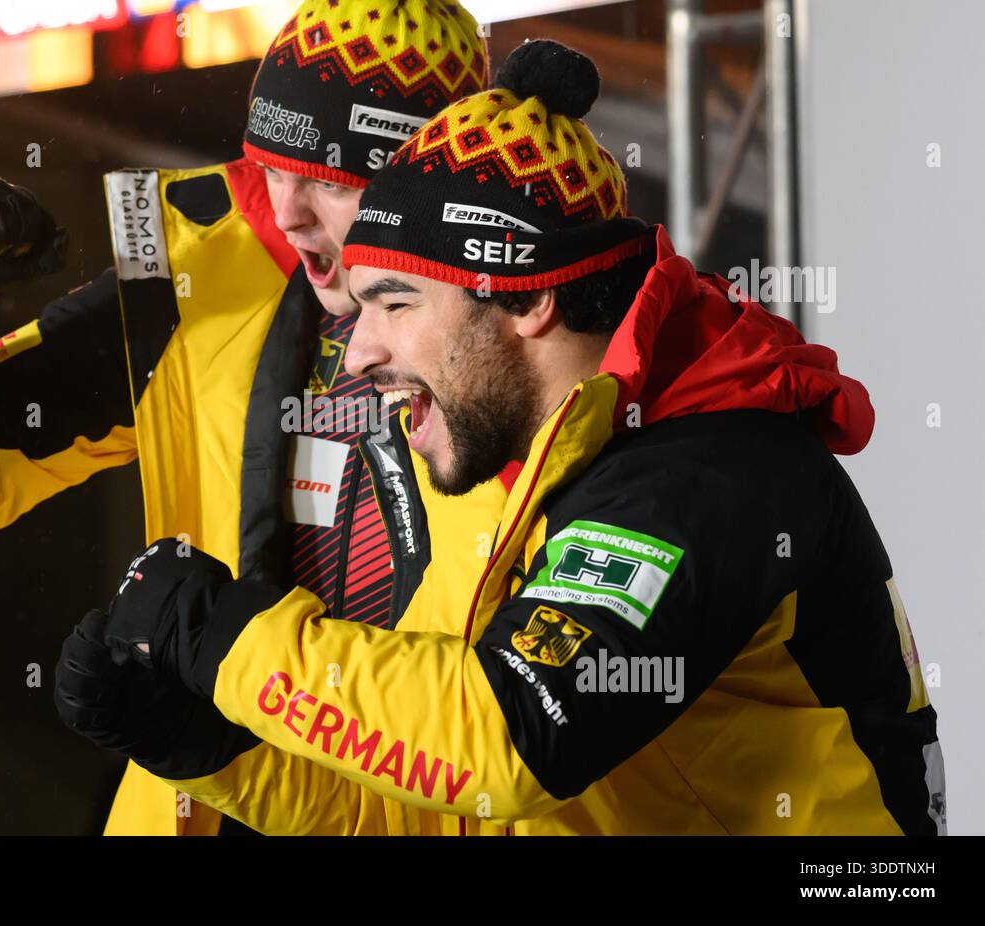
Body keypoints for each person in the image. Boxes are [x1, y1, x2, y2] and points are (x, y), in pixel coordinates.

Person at [74, 39, 946, 835]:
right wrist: (219, 753)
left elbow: (508, 742)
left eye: (395, 304)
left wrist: (233, 641)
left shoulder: (704, 464)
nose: (360, 352)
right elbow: (453, 807)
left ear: (529, 300)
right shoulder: (547, 456)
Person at [0, 0, 492, 835]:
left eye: (327, 178)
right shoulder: (203, 289)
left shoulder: (542, 354)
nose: (287, 212)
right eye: (272, 166)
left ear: (424, 178)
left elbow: (506, 749)